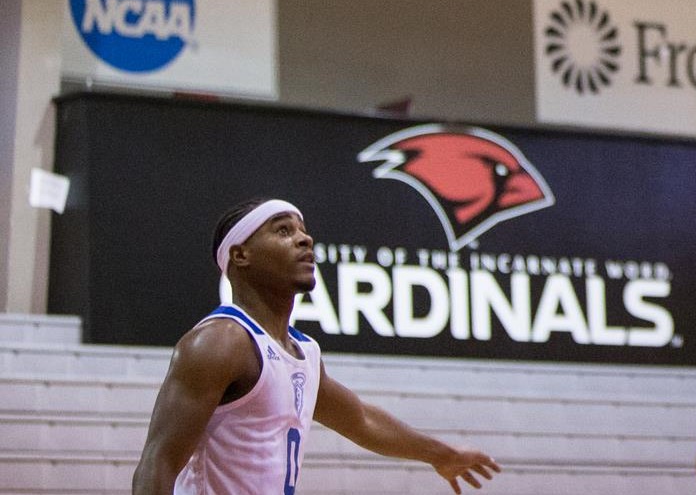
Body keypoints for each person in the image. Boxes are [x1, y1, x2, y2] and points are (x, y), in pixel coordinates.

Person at [132, 199, 500, 495]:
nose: (304, 240)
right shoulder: (220, 342)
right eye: (283, 231)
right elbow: (158, 462)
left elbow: (361, 420)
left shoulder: (303, 353)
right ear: (241, 255)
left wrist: (442, 455)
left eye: (304, 231)